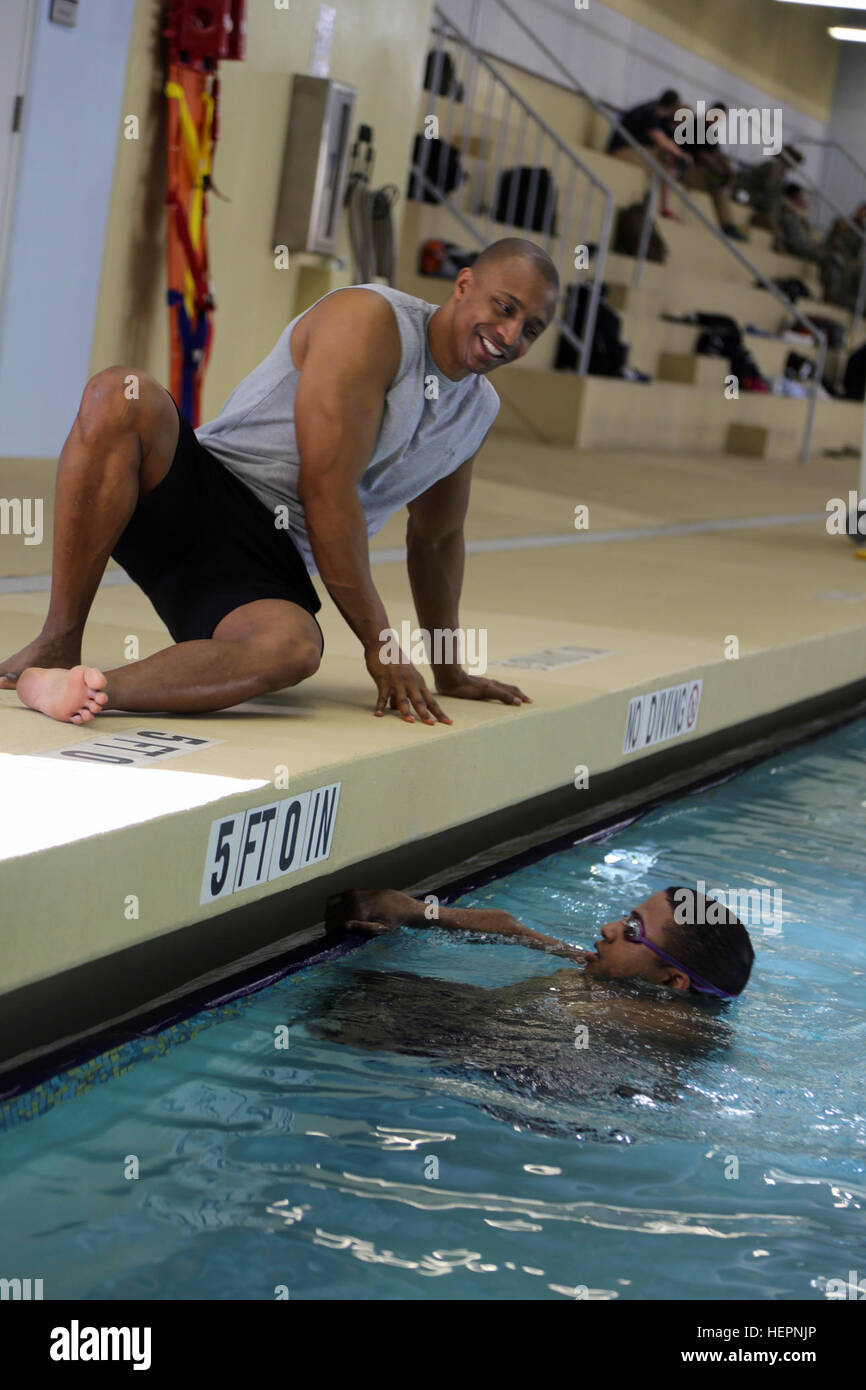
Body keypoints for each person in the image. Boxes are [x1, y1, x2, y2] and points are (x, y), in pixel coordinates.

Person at [0, 239, 559, 726]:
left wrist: (450, 669)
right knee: (120, 392)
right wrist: (380, 643)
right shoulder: (369, 321)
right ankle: (58, 638)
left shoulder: (477, 410)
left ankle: (85, 689)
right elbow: (326, 491)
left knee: (292, 648)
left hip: (261, 570)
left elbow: (436, 538)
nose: (509, 335)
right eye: (503, 308)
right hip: (201, 489)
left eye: (530, 328)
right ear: (464, 285)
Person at [327, 884, 755, 1000]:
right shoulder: (625, 978)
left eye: (633, 932)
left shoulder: (645, 1019)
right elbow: (515, 930)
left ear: (671, 981)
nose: (609, 927)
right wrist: (416, 909)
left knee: (357, 1003)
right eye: (628, 917)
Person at [607, 90, 691, 219]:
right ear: (674, 107)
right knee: (663, 167)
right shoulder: (650, 112)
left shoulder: (654, 111)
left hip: (631, 148)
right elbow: (661, 141)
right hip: (621, 149)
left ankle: (661, 207)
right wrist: (682, 155)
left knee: (665, 163)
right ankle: (659, 207)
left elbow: (662, 143)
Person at [678, 102, 747, 241]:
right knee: (716, 183)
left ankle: (729, 225)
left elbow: (717, 153)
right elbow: (701, 155)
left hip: (696, 171)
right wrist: (719, 170)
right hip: (683, 169)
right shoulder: (697, 125)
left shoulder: (710, 130)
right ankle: (727, 225)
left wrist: (730, 171)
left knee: (719, 183)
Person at [776, 182, 846, 305]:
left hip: (807, 246)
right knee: (832, 259)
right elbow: (796, 242)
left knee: (836, 257)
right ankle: (831, 296)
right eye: (801, 197)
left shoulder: (798, 217)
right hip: (799, 248)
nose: (805, 201)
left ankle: (833, 294)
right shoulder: (788, 215)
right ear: (795, 198)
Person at [735, 146, 803, 240]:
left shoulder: (779, 170)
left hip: (752, 195)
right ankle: (772, 227)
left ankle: (773, 226)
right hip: (744, 194)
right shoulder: (775, 166)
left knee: (782, 208)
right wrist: (787, 205)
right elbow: (771, 190)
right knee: (774, 202)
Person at [822, 202, 866, 310]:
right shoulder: (843, 222)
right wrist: (841, 231)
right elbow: (832, 242)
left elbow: (858, 252)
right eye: (863, 211)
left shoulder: (861, 230)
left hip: (850, 260)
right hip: (837, 255)